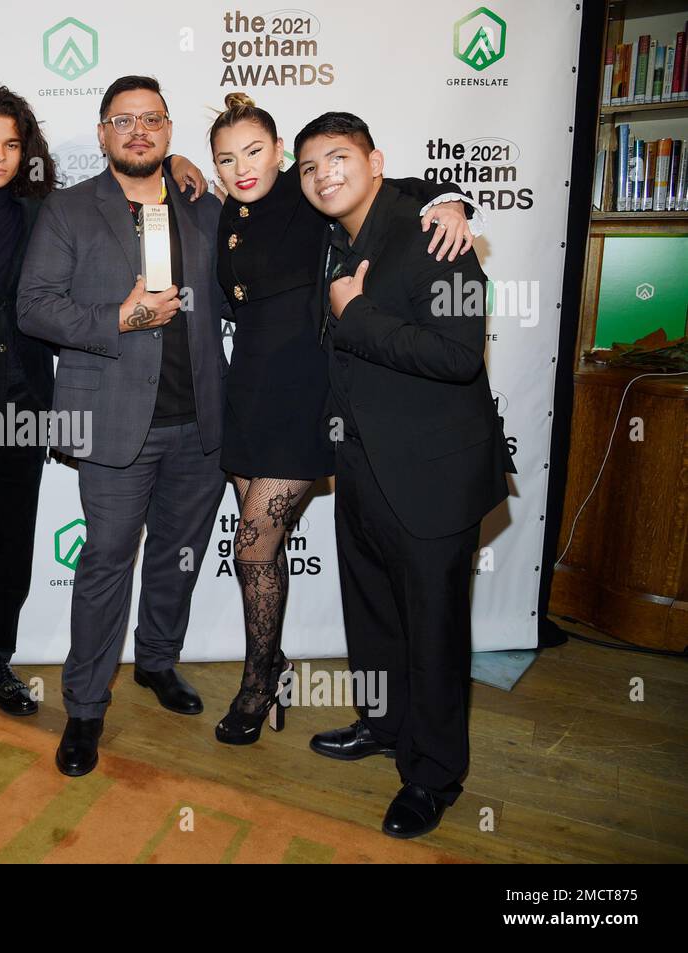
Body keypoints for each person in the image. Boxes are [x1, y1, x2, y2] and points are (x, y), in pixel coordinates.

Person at [0, 84, 209, 774]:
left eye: (11, 143)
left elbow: (134, 192)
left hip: (30, 411)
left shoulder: (47, 214)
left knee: (13, 552)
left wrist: (180, 163)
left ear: (26, 151)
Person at [207, 93, 482, 747]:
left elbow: (389, 189)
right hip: (247, 396)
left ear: (278, 153)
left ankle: (259, 680)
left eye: (254, 151)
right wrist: (184, 166)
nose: (242, 167)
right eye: (225, 158)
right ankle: (325, 693)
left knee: (252, 543)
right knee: (272, 560)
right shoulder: (227, 213)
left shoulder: (311, 202)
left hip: (305, 404)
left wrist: (450, 198)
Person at [295, 111, 514, 838]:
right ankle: (385, 725)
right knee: (375, 615)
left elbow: (457, 355)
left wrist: (355, 314)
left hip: (430, 474)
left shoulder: (438, 235)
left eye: (339, 158)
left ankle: (433, 773)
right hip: (359, 465)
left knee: (433, 630)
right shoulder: (336, 236)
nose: (324, 173)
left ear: (375, 161)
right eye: (310, 166)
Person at [17, 75, 228, 778]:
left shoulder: (204, 204)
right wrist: (116, 318)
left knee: (178, 555)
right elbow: (35, 307)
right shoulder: (69, 210)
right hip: (111, 424)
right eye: (123, 120)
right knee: (106, 563)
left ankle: (158, 661)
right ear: (104, 132)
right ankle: (83, 707)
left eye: (152, 120)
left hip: (200, 422)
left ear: (169, 131)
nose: (138, 131)